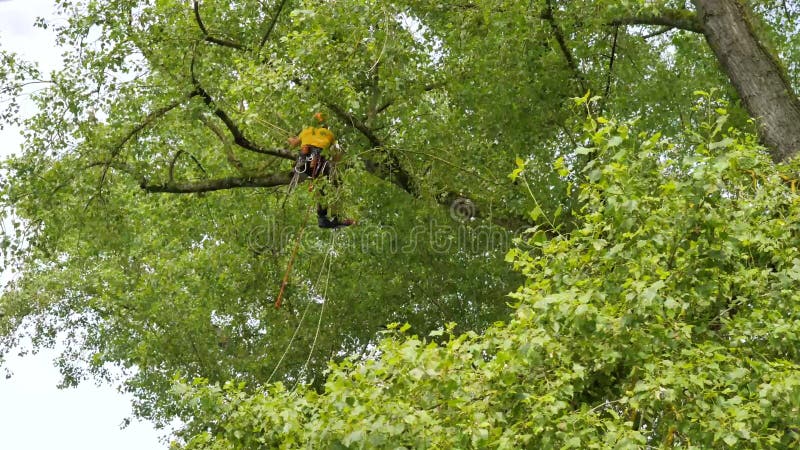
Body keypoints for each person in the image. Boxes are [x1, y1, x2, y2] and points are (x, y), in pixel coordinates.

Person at [288, 113, 354, 229]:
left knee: (321, 186)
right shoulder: (329, 134)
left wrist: (292, 139)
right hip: (319, 162)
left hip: (304, 163)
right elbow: (336, 155)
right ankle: (336, 216)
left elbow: (293, 144)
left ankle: (322, 218)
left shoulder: (306, 131)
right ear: (326, 125)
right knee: (334, 185)